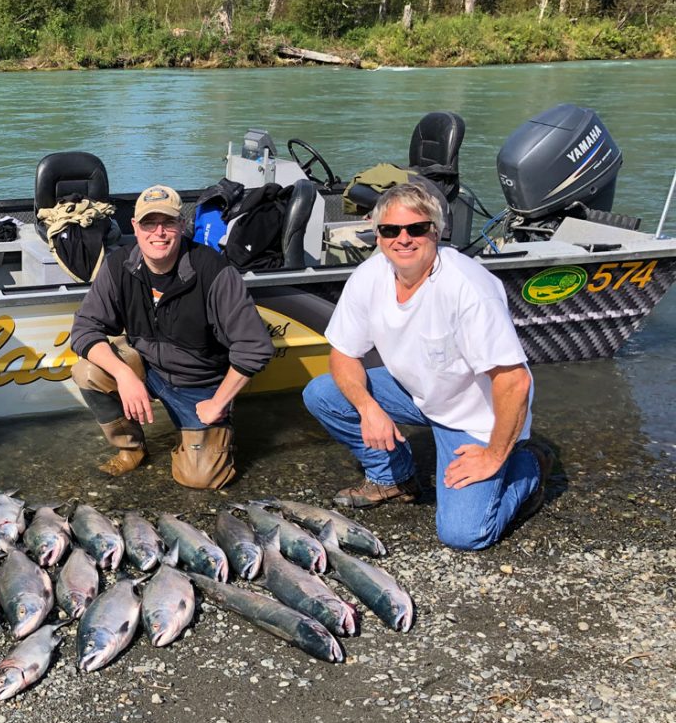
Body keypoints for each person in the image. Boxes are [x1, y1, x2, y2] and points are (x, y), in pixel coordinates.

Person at [301, 181, 553, 550]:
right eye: (390, 230)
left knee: (465, 535)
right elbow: (342, 354)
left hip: (477, 417)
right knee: (322, 393)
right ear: (377, 234)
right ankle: (394, 478)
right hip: (420, 394)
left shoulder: (468, 287)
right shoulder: (370, 275)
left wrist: (492, 456)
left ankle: (527, 465)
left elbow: (514, 382)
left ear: (435, 231)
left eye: (416, 228)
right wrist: (369, 409)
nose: (403, 239)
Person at [68, 184, 275, 489]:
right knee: (88, 371)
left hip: (199, 383)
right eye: (149, 223)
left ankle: (203, 436)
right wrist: (124, 375)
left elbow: (255, 347)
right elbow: (84, 328)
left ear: (182, 226)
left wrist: (217, 403)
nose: (159, 233)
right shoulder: (118, 266)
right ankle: (131, 449)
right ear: (135, 227)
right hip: (147, 369)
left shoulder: (214, 271)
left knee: (201, 479)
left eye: (168, 223)